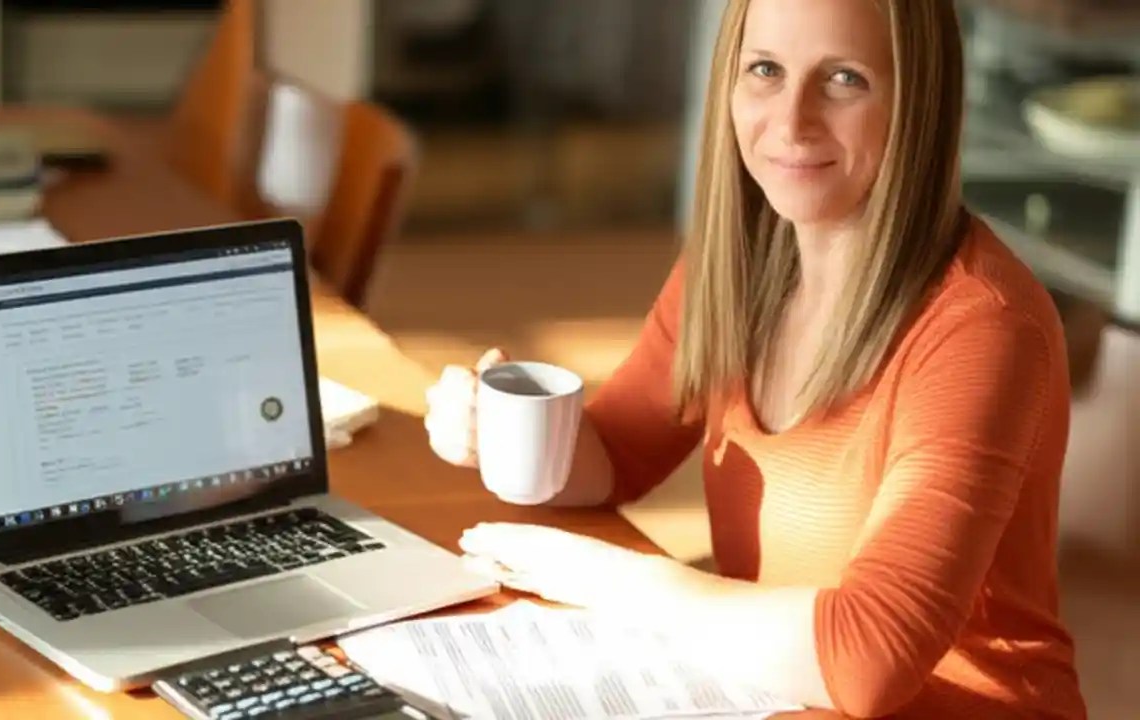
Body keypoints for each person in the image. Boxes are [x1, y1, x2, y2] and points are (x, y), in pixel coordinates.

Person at [423, 0, 1088, 717]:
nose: (792, 121)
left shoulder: (985, 329)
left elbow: (865, 661)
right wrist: (498, 430)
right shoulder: (738, 262)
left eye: (843, 79)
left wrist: (619, 585)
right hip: (772, 696)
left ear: (918, 99)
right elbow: (616, 453)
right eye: (765, 70)